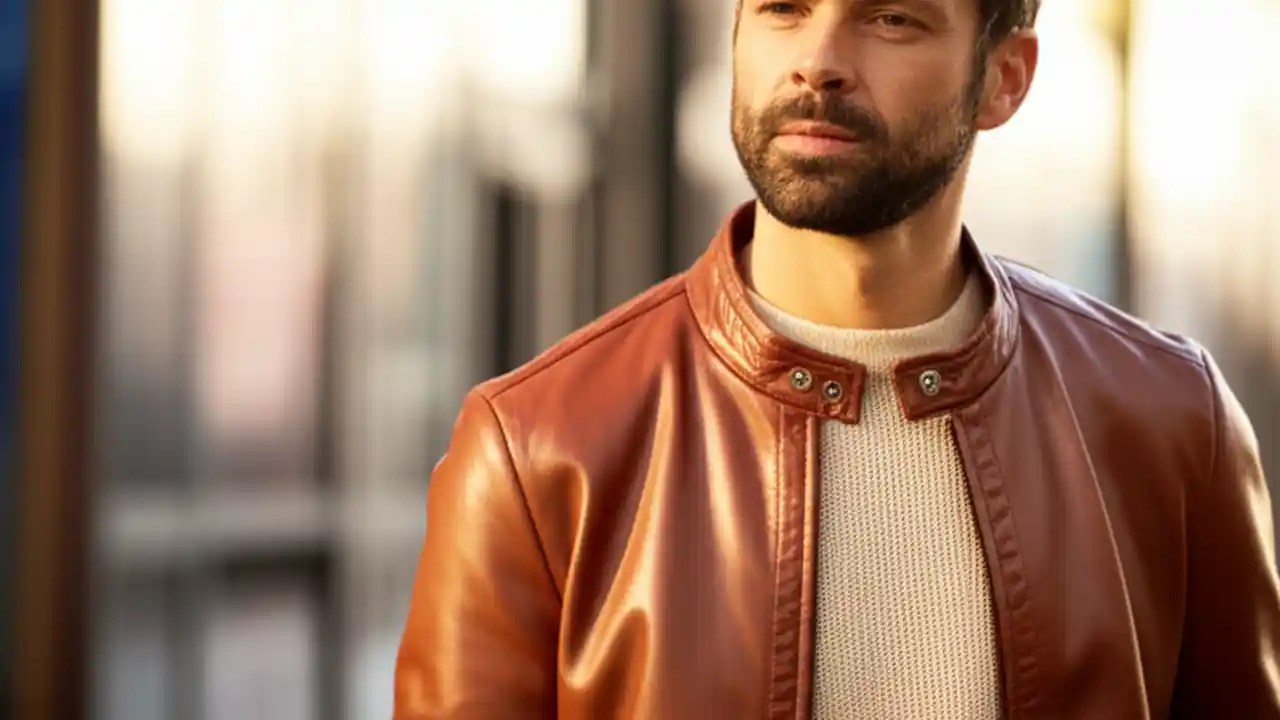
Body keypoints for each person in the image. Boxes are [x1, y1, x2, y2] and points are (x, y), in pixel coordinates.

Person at [395, 0, 1280, 717]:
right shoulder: (538, 448)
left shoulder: (1173, 423)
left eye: (890, 19)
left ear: (1004, 79)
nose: (818, 59)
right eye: (782, 9)